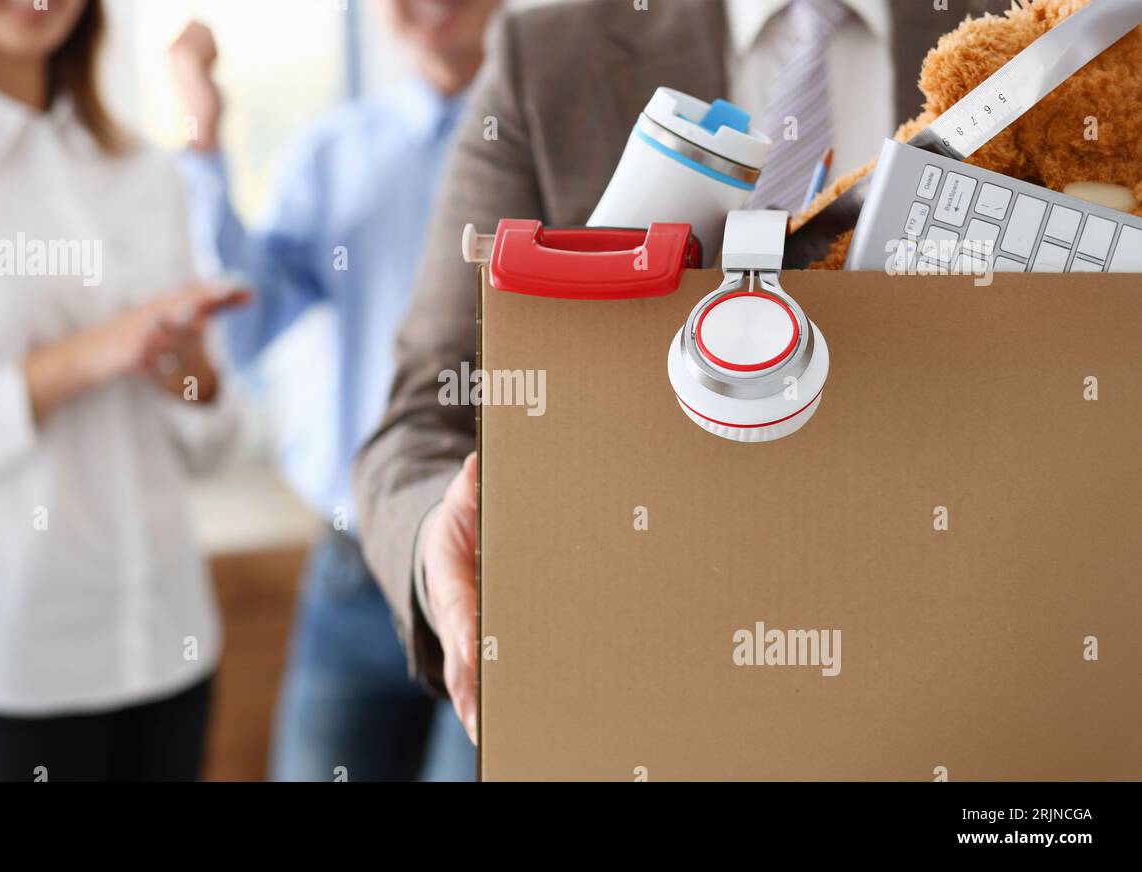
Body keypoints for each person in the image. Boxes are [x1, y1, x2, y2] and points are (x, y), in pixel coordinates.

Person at [353, 0, 1013, 741]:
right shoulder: (545, 59)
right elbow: (422, 418)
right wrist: (437, 545)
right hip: (644, 687)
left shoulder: (1041, 40)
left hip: (956, 695)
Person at [0, 0, 248, 781]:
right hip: (0, 679)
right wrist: (80, 361)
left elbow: (212, 442)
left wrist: (184, 370)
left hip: (167, 651)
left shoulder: (144, 171)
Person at [169, 0, 503, 781]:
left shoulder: (554, 146)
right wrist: (203, 135)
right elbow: (246, 332)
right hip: (354, 570)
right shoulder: (333, 152)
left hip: (507, 569)